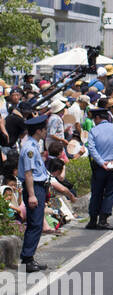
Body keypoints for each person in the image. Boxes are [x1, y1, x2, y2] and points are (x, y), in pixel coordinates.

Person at [16, 114, 52, 274]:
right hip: (34, 187)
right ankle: (27, 259)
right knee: (35, 224)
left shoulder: (33, 145)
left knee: (36, 223)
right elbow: (29, 174)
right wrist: (32, 195)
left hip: (38, 186)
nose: (46, 132)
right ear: (39, 130)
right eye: (44, 130)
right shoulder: (30, 148)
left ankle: (30, 257)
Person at [85, 103, 113, 230]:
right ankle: (103, 220)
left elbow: (91, 149)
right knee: (110, 193)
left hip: (99, 167)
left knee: (96, 192)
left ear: (98, 118)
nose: (94, 121)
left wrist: (101, 162)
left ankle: (93, 220)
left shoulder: (94, 131)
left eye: (94, 119)